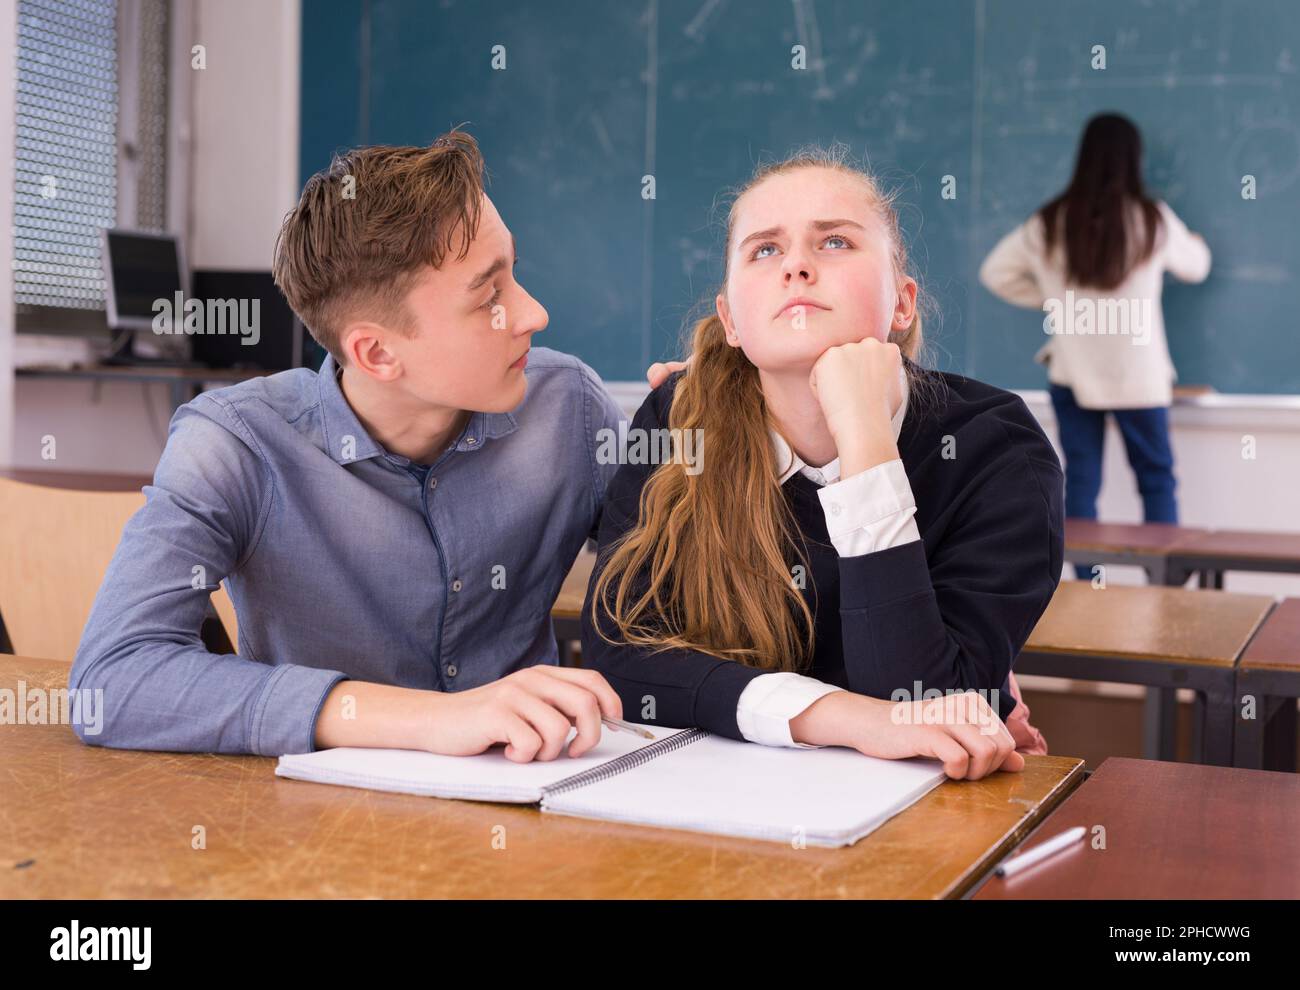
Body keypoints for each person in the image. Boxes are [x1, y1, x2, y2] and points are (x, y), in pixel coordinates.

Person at [70, 130, 677, 763]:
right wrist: (432, 720)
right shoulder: (237, 443)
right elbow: (112, 680)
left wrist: (734, 418)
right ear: (377, 352)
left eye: (514, 273)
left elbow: (685, 579)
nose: (533, 314)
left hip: (534, 790)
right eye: (489, 296)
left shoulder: (568, 407)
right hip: (322, 823)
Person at [583, 146, 1062, 779]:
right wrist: (840, 718)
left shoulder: (996, 447)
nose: (798, 267)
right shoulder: (677, 424)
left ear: (902, 303)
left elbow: (922, 707)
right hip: (719, 801)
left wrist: (866, 442)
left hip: (928, 819)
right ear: (730, 320)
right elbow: (621, 651)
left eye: (834, 243)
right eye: (764, 249)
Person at [980, 113, 1211, 577]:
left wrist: (1056, 301)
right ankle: (1165, 586)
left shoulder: (1049, 221)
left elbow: (994, 272)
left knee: (1081, 481)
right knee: (1156, 479)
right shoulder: (1153, 220)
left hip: (1073, 373)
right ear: (1134, 159)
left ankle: (1088, 589)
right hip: (1141, 379)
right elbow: (1197, 266)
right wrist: (1195, 242)